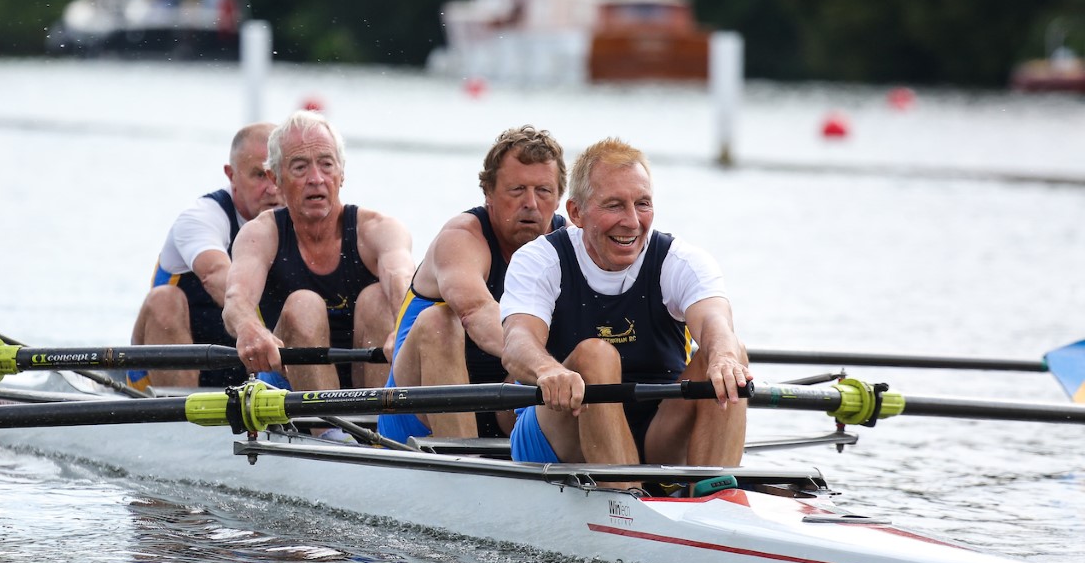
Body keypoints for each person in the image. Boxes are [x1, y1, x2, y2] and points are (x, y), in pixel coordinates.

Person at [500, 137, 749, 472]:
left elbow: (715, 322)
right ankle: (627, 496)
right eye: (615, 205)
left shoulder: (681, 261)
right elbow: (517, 343)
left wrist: (723, 357)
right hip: (559, 433)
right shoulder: (540, 260)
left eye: (642, 204)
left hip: (658, 433)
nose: (632, 222)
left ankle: (713, 497)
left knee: (729, 354)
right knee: (595, 355)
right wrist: (549, 370)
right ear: (576, 212)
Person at [377, 126, 568, 444]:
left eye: (543, 191)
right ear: (489, 194)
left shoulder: (572, 245)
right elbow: (477, 312)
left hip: (509, 406)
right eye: (517, 190)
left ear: (560, 197)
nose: (531, 203)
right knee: (440, 321)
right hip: (417, 412)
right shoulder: (462, 239)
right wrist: (544, 366)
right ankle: (463, 462)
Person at [222, 110, 414, 393]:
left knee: (379, 299)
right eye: (300, 167)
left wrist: (404, 328)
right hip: (287, 382)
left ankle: (373, 426)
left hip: (369, 376)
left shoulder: (379, 229)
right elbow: (235, 299)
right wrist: (248, 327)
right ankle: (331, 432)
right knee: (304, 304)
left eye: (326, 165)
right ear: (276, 179)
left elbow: (400, 278)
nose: (316, 178)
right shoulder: (260, 234)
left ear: (342, 173)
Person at [128, 122, 280, 390]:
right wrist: (252, 328)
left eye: (276, 174)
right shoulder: (201, 218)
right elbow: (215, 275)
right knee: (164, 300)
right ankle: (177, 414)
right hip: (171, 376)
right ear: (231, 174)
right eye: (258, 175)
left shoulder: (308, 224)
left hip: (253, 373)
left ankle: (342, 423)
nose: (271, 188)